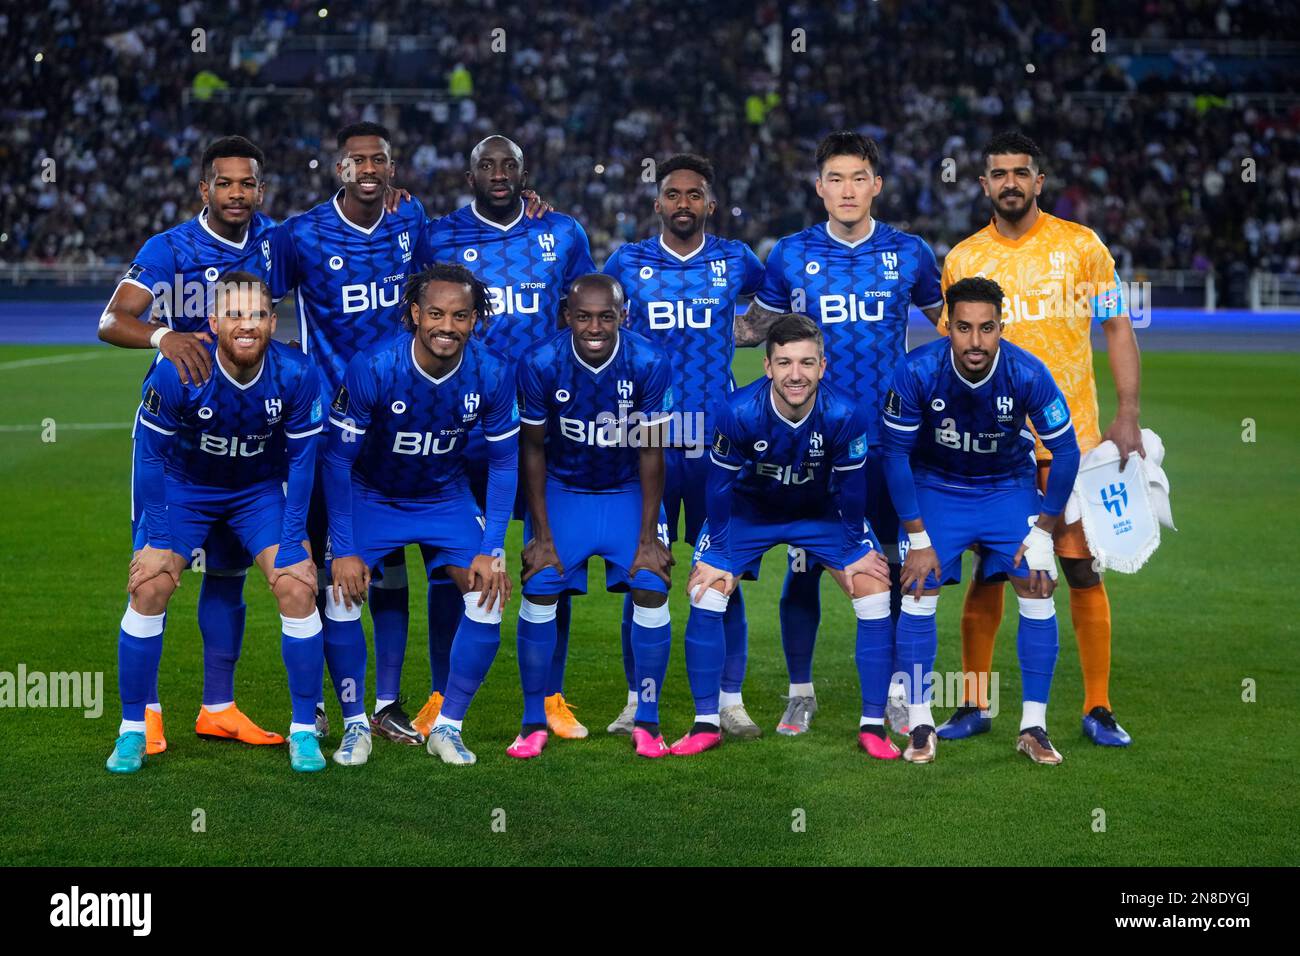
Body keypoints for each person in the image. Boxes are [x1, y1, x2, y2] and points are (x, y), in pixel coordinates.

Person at [735, 131, 943, 737]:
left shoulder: (910, 254)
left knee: (901, 564)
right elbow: (758, 330)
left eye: (859, 179)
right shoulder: (790, 254)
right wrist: (681, 314)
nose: (847, 190)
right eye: (835, 179)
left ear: (877, 185)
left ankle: (903, 692)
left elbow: (954, 328)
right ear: (819, 187)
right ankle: (801, 693)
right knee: (803, 566)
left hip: (891, 442)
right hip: (813, 445)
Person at [936, 131, 1141, 747]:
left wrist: (1128, 411)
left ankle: (1097, 706)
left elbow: (1117, 325)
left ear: (1039, 180)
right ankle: (974, 704)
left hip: (1069, 442)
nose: (1010, 183)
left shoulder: (1081, 247)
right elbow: (954, 351)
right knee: (993, 572)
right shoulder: (964, 259)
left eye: (1020, 172)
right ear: (983, 184)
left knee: (1079, 569)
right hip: (993, 451)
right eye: (998, 173)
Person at [98, 136, 282, 754]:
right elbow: (110, 320)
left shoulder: (274, 242)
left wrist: (389, 200)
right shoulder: (168, 248)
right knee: (155, 574)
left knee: (228, 576)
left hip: (249, 438)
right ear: (204, 189)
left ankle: (218, 707)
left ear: (261, 189)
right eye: (224, 183)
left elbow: (346, 243)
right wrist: (163, 337)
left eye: (247, 183)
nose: (237, 194)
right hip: (175, 442)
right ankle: (144, 714)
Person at [105, 272, 327, 774]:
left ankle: (304, 732)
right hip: (186, 488)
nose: (245, 325)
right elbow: (151, 458)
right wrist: (158, 538)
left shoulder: (297, 372)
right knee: (150, 586)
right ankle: (132, 730)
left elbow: (303, 462)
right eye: (234, 314)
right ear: (214, 322)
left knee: (297, 586)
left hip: (257, 492)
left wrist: (294, 538)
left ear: (273, 320)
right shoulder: (180, 370)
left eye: (256, 314)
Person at [414, 134, 595, 741]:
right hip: (462, 426)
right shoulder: (438, 236)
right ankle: (441, 695)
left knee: (551, 561)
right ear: (469, 176)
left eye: (509, 165)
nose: (499, 173)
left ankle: (549, 697)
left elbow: (586, 315)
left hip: (548, 425)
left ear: (524, 173)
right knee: (452, 563)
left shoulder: (563, 234)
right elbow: (417, 311)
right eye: (486, 165)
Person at [321, 263, 518, 766]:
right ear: (414, 314)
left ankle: (448, 726)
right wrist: (342, 548)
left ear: (475, 319)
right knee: (338, 593)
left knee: (490, 593)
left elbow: (504, 462)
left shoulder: (493, 372)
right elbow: (337, 460)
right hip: (372, 495)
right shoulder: (375, 367)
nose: (446, 326)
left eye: (459, 316)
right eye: (435, 313)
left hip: (445, 498)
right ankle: (354, 725)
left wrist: (492, 548)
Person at [675, 315, 895, 759]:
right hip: (750, 510)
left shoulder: (845, 413)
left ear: (823, 366)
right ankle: (706, 722)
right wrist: (719, 551)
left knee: (873, 589)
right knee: (707, 590)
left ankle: (873, 726)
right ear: (767, 367)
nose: (796, 374)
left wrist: (852, 548)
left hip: (820, 511)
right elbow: (717, 487)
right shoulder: (737, 411)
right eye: (785, 363)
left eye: (807, 363)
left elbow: (854, 489)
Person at [881, 276, 1081, 764]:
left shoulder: (1028, 373)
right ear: (948, 326)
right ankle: (921, 721)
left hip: (1006, 488)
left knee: (1038, 581)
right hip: (938, 487)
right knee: (918, 584)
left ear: (1000, 327)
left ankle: (1034, 726)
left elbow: (1067, 451)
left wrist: (1042, 530)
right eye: (965, 328)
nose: (976, 341)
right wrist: (918, 536)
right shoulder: (916, 371)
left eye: (987, 328)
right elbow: (894, 457)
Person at [602, 153, 766, 739]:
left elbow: (773, 306)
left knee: (724, 572)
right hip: (648, 440)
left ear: (710, 205)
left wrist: (742, 332)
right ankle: (635, 700)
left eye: (694, 195)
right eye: (673, 195)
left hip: (718, 441)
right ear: (658, 204)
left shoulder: (735, 260)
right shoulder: (628, 262)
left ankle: (729, 700)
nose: (683, 204)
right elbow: (595, 321)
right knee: (644, 571)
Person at [512, 274, 675, 759]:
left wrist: (648, 537)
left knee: (651, 581)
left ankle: (647, 720)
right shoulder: (540, 362)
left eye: (607, 316)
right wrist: (540, 534)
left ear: (624, 315)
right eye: (584, 316)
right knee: (539, 585)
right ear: (567, 316)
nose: (595, 326)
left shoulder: (649, 361)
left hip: (626, 488)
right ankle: (531, 721)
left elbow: (652, 452)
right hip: (565, 488)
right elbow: (533, 451)